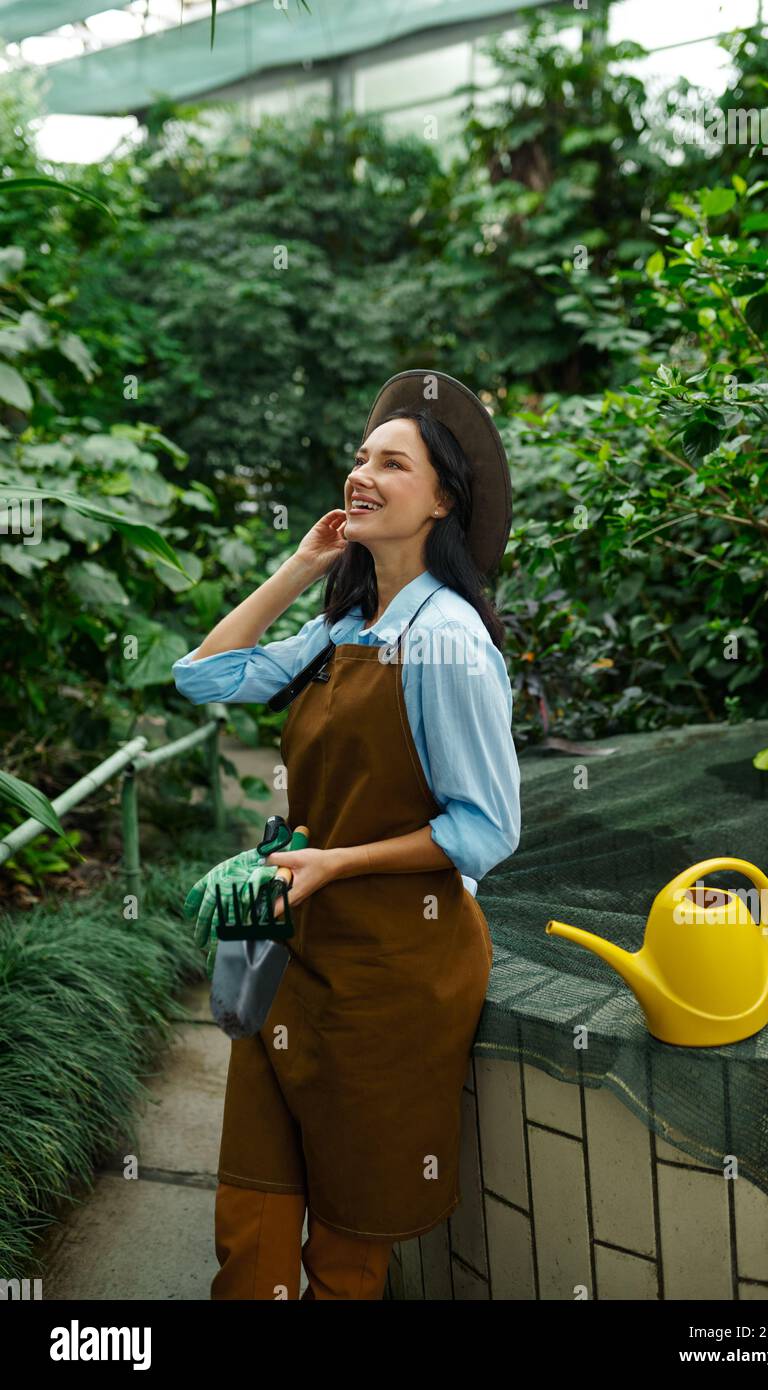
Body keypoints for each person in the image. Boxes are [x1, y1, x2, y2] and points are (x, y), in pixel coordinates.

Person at [172, 368, 521, 1300]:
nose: (361, 474)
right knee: (249, 1219)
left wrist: (334, 863)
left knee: (347, 1243)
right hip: (294, 951)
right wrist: (302, 568)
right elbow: (202, 678)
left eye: (392, 464)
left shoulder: (448, 639)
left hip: (392, 976)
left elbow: (484, 832)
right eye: (361, 458)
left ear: (443, 499)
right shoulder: (346, 627)